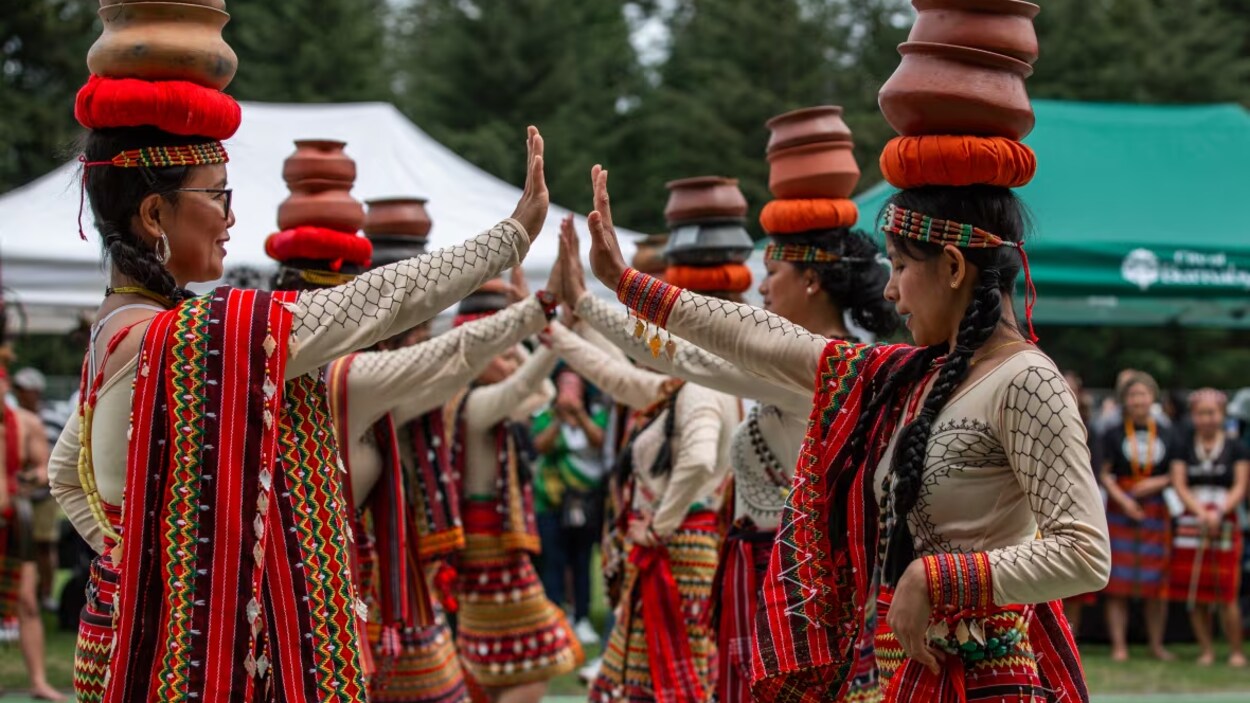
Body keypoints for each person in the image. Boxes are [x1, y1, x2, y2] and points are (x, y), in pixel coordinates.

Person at [48, 51, 551, 701]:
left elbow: (68, 474)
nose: (231, 218)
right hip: (193, 663)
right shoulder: (190, 338)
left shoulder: (121, 329)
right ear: (153, 215)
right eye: (218, 196)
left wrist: (136, 560)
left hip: (137, 643)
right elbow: (376, 307)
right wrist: (511, 238)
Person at [578, 157, 1110, 701]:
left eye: (901, 266)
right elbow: (763, 339)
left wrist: (936, 579)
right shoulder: (906, 375)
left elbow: (1085, 552)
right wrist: (627, 284)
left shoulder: (1026, 379)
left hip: (987, 683)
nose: (890, 291)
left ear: (952, 267)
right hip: (905, 674)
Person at [552, 156, 898, 698]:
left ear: (811, 280)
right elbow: (662, 368)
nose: (762, 290)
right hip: (773, 574)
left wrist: (604, 294)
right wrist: (585, 310)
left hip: (788, 580)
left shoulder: (825, 369)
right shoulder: (825, 364)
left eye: (774, 275)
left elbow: (686, 357)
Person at [444, 282, 581, 703]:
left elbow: (543, 393)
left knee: (502, 666)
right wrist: (552, 334)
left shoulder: (484, 401)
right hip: (488, 547)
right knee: (535, 660)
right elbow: (527, 387)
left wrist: (517, 335)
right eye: (500, 355)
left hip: (496, 543)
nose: (509, 363)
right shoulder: (473, 405)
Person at [1100, 370, 1180, 662]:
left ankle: (1156, 645)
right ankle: (1119, 646)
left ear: (1152, 398)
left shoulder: (1169, 433)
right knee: (1117, 585)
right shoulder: (1112, 433)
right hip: (1121, 508)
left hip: (1156, 510)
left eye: (1143, 394)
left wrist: (1156, 483)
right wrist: (1124, 499)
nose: (1138, 400)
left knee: (1157, 584)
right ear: (1125, 400)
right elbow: (1104, 474)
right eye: (1132, 395)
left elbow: (1177, 473)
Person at [1168, 389, 1248, 667]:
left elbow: (1240, 484)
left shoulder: (1236, 446)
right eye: (1202, 413)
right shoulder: (1183, 445)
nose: (1207, 419)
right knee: (1196, 589)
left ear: (1221, 415)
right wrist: (1201, 512)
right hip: (1193, 520)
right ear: (1194, 416)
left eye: (1212, 413)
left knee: (1227, 589)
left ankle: (1236, 650)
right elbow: (1179, 483)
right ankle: (1206, 649)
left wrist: (1220, 512)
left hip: (1225, 518)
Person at [0, 365, 65, 701]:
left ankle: (38, 680)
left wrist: (29, 478)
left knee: (27, 601)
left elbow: (44, 465)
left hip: (14, 520)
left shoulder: (25, 423)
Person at [531, 366, 609, 645]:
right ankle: (555, 619)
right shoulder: (545, 416)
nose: (569, 390)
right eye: (564, 384)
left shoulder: (596, 414)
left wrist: (579, 416)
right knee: (553, 563)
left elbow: (599, 441)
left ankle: (582, 617)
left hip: (585, 504)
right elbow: (539, 446)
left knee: (582, 561)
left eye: (574, 384)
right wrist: (559, 420)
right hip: (550, 503)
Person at [10, 367, 61, 613]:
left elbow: (53, 460)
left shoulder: (51, 416)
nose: (21, 394)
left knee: (43, 545)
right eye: (19, 389)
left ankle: (46, 594)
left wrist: (30, 477)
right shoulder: (12, 416)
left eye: (26, 389)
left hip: (43, 495)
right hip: (17, 495)